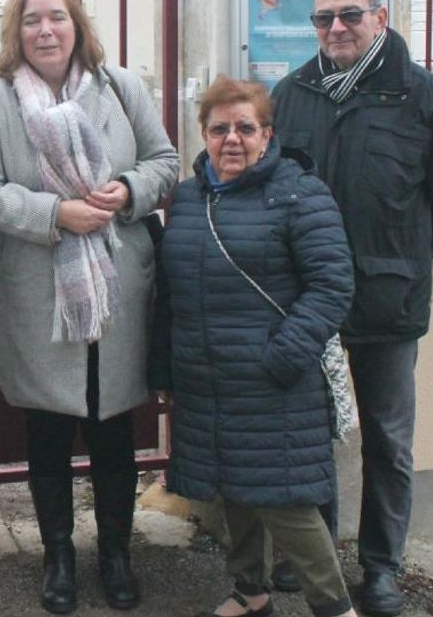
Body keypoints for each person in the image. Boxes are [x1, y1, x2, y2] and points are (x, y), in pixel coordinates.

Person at [0, 0, 181, 614]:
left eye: (57, 17)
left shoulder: (121, 89)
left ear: (77, 24)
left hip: (117, 286)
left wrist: (128, 192)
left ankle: (115, 552)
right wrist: (56, 213)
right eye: (31, 21)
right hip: (39, 288)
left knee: (115, 430)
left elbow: (165, 161)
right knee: (49, 430)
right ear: (16, 34)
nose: (45, 30)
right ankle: (59, 556)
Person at [271, 0, 433, 616]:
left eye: (349, 15)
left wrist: (406, 255)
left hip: (390, 303)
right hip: (311, 304)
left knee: (388, 439)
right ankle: (317, 554)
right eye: (323, 18)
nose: (336, 28)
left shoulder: (420, 96)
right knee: (313, 434)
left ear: (379, 17)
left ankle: (382, 568)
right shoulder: (292, 93)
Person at [151, 76, 357, 617]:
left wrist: (283, 354)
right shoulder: (190, 196)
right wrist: (170, 366)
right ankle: (251, 591)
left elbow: (333, 283)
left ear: (267, 134)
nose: (232, 139)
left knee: (283, 501)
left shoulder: (299, 193)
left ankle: (335, 607)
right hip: (207, 378)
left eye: (246, 127)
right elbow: (171, 290)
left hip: (271, 380)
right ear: (203, 134)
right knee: (231, 487)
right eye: (220, 129)